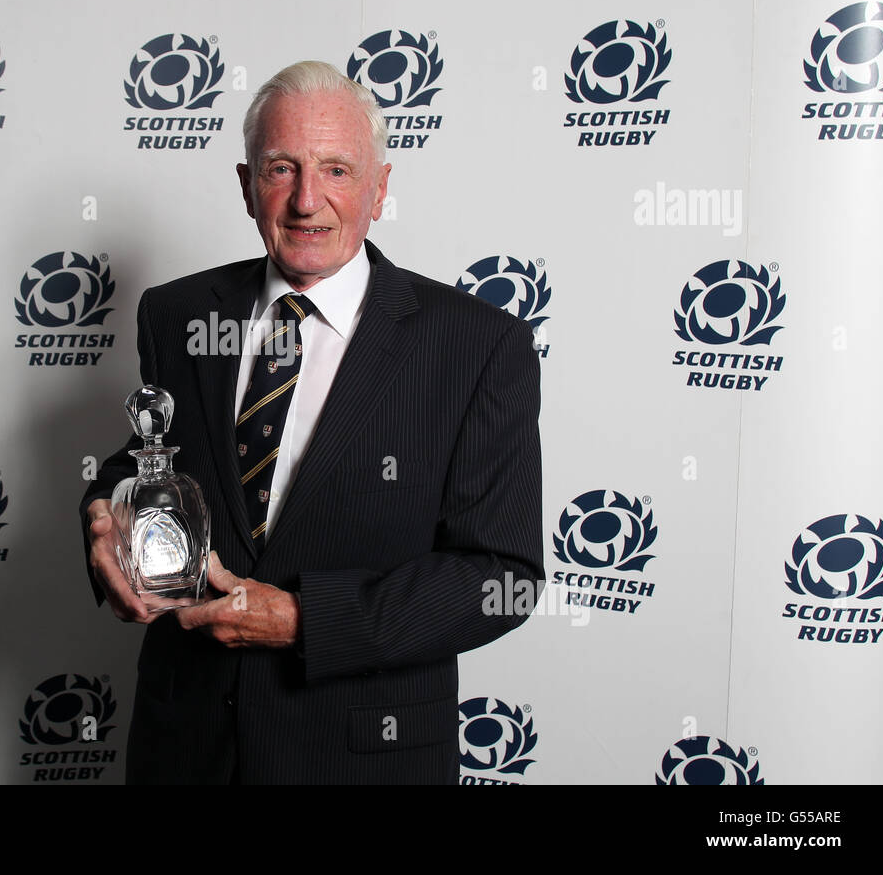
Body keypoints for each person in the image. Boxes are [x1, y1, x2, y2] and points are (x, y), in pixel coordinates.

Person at [80, 60, 543, 784]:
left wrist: (304, 620)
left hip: (362, 759)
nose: (306, 200)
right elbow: (152, 457)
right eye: (281, 169)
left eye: (336, 169)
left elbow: (499, 576)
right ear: (245, 186)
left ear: (380, 190)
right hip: (185, 748)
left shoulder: (477, 347)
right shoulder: (177, 315)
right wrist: (106, 513)